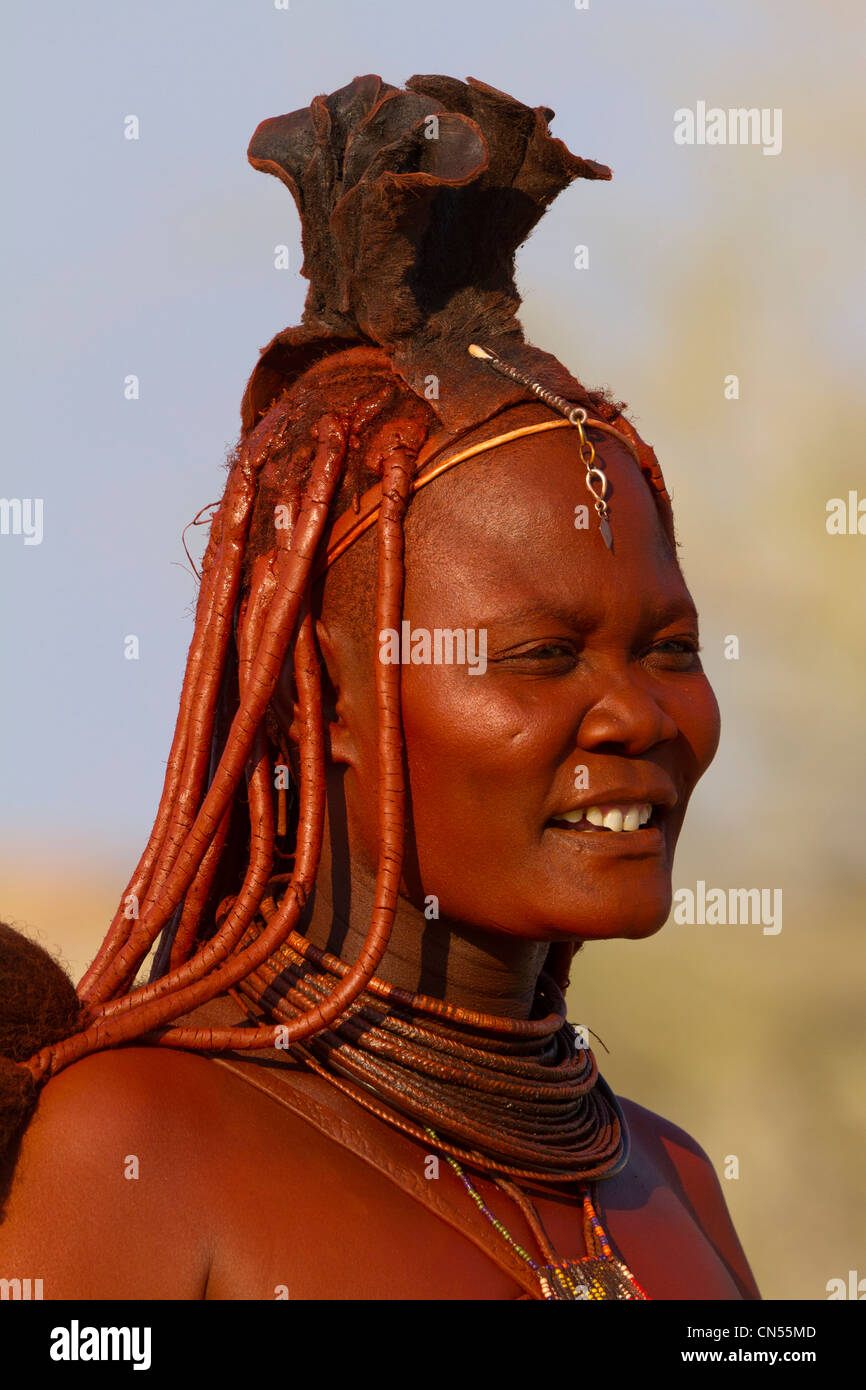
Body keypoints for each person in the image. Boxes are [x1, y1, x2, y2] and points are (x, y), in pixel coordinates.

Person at [0, 73, 759, 1300]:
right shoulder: (143, 1144)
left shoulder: (667, 1178)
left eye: (666, 648)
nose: (635, 715)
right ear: (328, 700)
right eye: (541, 656)